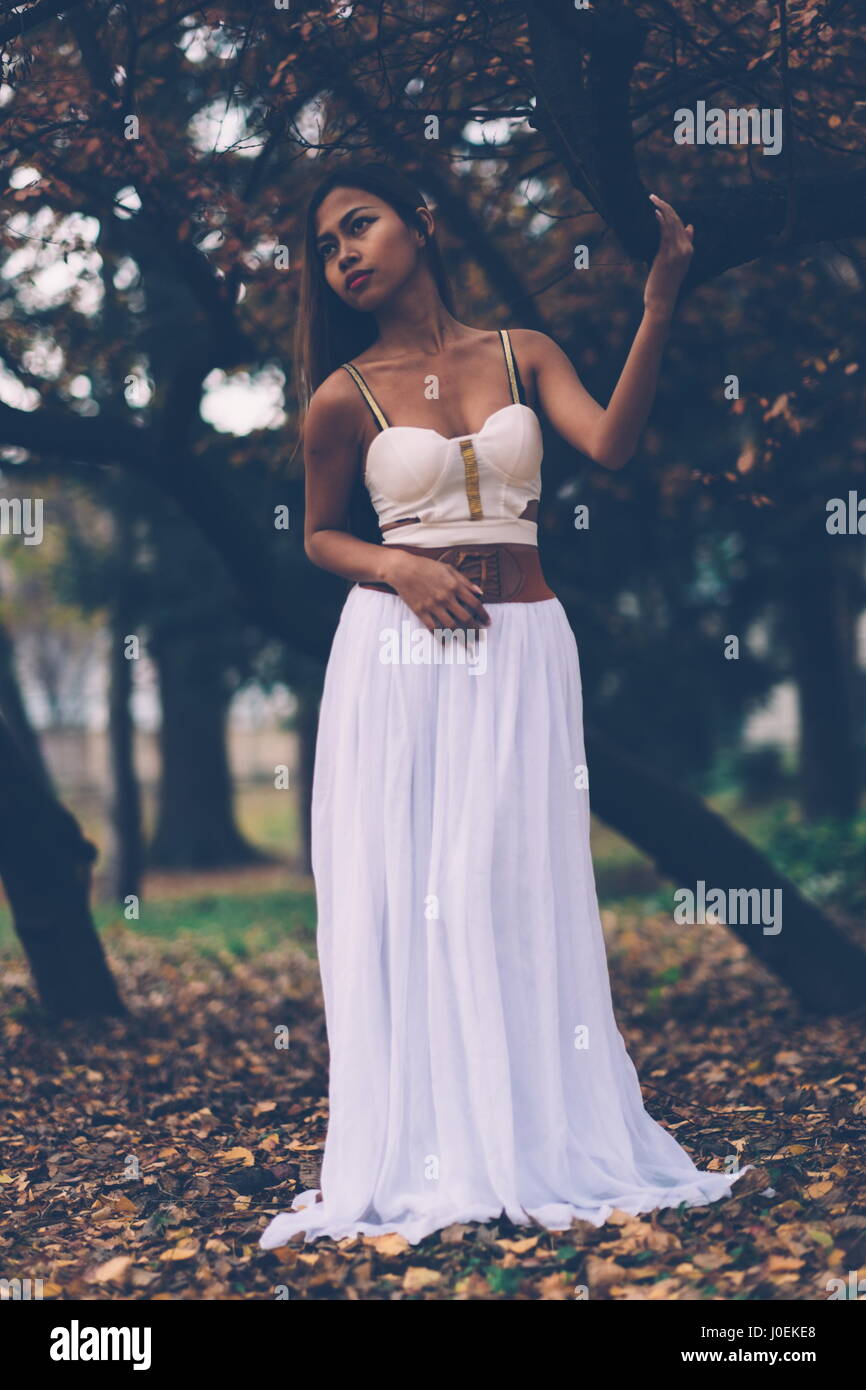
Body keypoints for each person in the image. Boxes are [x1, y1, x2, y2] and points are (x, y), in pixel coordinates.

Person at [259, 160, 751, 1248]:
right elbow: (319, 535)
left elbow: (611, 445)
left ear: (419, 226)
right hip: (399, 655)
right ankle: (434, 1138)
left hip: (526, 645)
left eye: (359, 226)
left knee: (511, 882)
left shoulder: (522, 354)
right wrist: (401, 571)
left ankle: (529, 1131)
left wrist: (659, 301)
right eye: (326, 247)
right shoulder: (344, 397)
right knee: (419, 890)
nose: (342, 254)